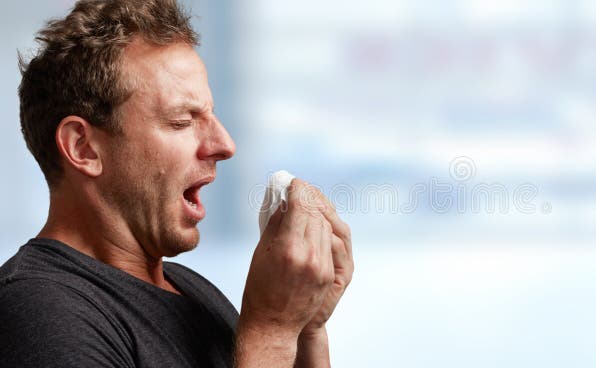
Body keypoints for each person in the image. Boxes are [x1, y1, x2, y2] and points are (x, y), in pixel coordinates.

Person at [0, 0, 354, 367]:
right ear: (83, 147)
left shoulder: (190, 291)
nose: (224, 145)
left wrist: (306, 327)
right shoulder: (38, 313)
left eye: (211, 116)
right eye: (183, 120)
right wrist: (272, 329)